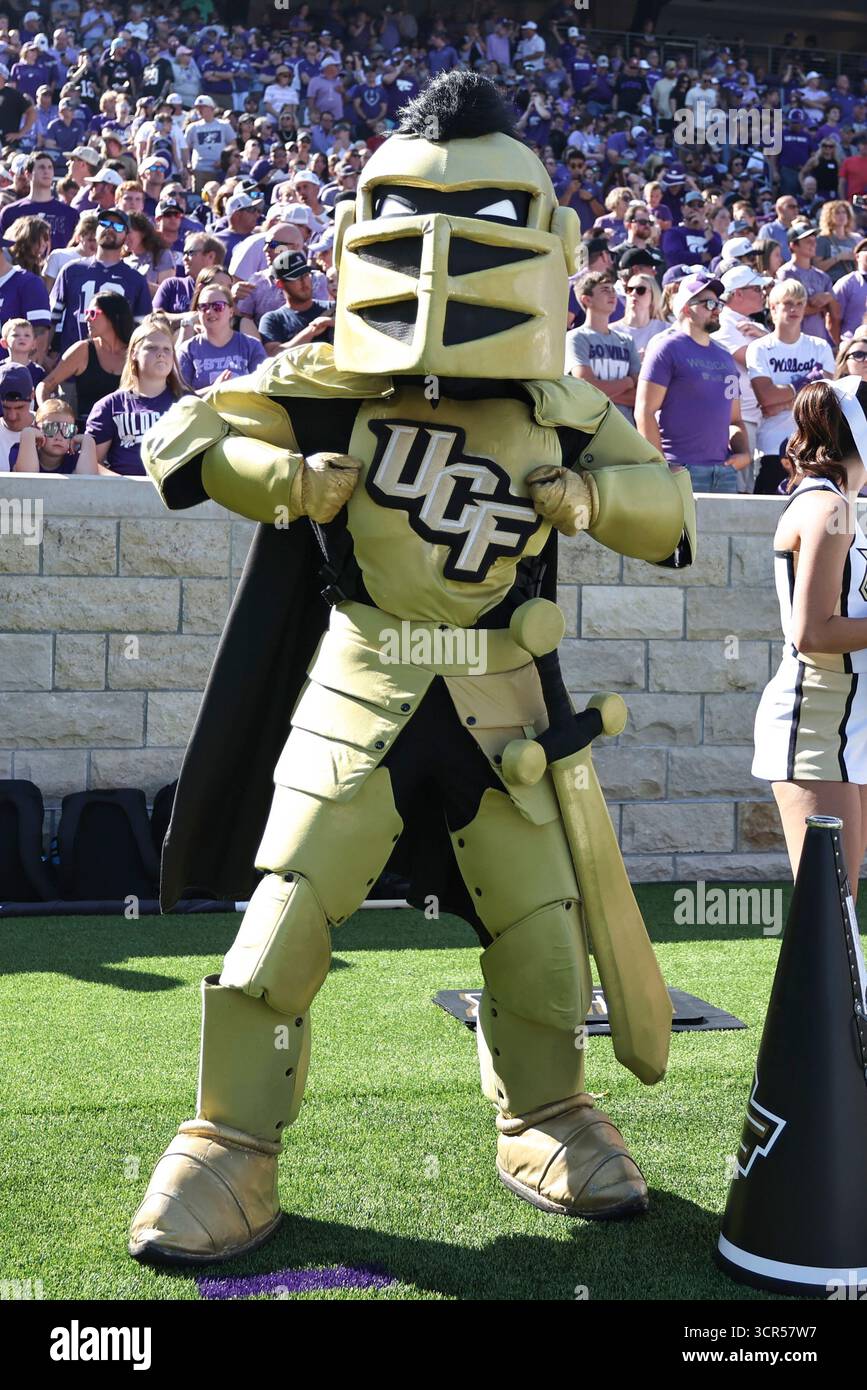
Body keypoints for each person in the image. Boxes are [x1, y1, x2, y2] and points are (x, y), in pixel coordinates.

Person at [128, 70, 695, 1267]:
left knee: (542, 943)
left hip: (505, 710)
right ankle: (229, 1139)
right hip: (363, 684)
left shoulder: (563, 402)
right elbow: (181, 434)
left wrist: (593, 496)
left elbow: (671, 508)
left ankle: (544, 1111)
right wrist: (278, 480)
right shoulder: (331, 379)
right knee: (278, 932)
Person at [752, 377, 867, 890]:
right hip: (817, 722)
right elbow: (812, 632)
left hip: (844, 722)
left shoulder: (837, 504)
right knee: (828, 906)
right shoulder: (829, 507)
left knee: (838, 908)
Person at [636, 271, 751, 494]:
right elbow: (644, 411)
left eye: (718, 303)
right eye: (709, 303)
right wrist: (660, 468)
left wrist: (743, 454)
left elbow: (735, 419)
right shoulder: (666, 348)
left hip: (723, 471)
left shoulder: (725, 357)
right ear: (686, 308)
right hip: (679, 470)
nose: (717, 309)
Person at [746, 280, 836, 495]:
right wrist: (802, 385)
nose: (795, 309)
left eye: (799, 303)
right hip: (771, 447)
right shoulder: (760, 348)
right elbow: (766, 397)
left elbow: (825, 398)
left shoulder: (819, 346)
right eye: (788, 303)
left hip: (814, 448)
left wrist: (783, 403)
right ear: (773, 307)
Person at [85, 313, 185, 476]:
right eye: (152, 347)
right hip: (123, 496)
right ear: (134, 354)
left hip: (175, 496)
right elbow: (89, 463)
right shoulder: (110, 406)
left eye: (167, 349)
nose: (161, 354)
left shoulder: (187, 403)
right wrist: (127, 485)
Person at [49, 206, 152, 352]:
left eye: (117, 226)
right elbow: (50, 319)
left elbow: (141, 331)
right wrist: (43, 356)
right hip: (71, 362)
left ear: (126, 236)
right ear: (96, 230)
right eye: (104, 224)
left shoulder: (136, 280)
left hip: (115, 365)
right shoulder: (71, 271)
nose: (110, 229)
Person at [711, 264, 772, 494]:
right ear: (737, 293)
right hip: (737, 420)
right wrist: (767, 340)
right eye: (756, 289)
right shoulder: (723, 323)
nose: (762, 293)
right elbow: (757, 362)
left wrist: (766, 337)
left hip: (755, 418)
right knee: (739, 490)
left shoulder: (755, 326)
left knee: (748, 488)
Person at [38, 288, 132, 428]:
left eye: (93, 313)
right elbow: (45, 386)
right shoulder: (82, 350)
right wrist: (48, 417)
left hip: (126, 434)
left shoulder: (135, 352)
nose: (86, 318)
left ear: (114, 317)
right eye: (87, 313)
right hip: (88, 434)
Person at [564, 271, 640, 423]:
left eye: (613, 290)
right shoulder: (576, 338)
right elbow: (586, 388)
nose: (613, 295)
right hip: (589, 430)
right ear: (587, 299)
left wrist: (600, 394)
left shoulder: (627, 340)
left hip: (626, 429)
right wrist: (627, 383)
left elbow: (640, 396)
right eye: (605, 290)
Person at [178, 279, 266, 391]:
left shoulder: (251, 346)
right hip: (204, 408)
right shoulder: (188, 350)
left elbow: (263, 388)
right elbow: (181, 398)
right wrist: (214, 390)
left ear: (231, 311)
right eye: (204, 307)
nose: (209, 311)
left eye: (218, 306)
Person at [258, 248, 334, 355]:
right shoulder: (273, 319)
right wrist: (311, 332)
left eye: (306, 275)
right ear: (280, 284)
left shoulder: (332, 308)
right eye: (295, 277)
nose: (304, 282)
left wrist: (335, 323)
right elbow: (273, 355)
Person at [777, 221, 840, 347]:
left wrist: (829, 297)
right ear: (793, 245)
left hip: (820, 342)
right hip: (794, 343)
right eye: (807, 241)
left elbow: (836, 313)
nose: (813, 244)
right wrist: (822, 307)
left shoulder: (822, 276)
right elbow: (792, 309)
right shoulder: (786, 273)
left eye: (814, 240)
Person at [0, 150, 77, 247]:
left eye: (50, 167)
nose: (46, 171)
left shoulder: (70, 214)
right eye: (41, 167)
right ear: (28, 174)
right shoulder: (10, 212)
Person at [11, 396, 99, 473]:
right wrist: (28, 433)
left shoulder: (75, 460)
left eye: (67, 430)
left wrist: (88, 441)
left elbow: (87, 482)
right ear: (36, 430)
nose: (59, 437)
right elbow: (27, 479)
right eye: (51, 428)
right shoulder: (19, 450)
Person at [617, 269, 668, 359]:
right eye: (629, 289)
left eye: (641, 290)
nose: (633, 294)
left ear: (653, 295)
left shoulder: (666, 330)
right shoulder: (611, 331)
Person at [123, 210, 175, 294]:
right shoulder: (122, 260)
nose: (124, 236)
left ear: (143, 233)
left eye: (128, 232)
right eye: (121, 231)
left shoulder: (161, 255)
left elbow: (167, 292)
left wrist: (138, 283)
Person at [0, 361, 36, 470]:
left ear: (32, 395)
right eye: (6, 407)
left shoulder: (48, 429)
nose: (12, 416)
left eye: (19, 407)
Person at [832, 239, 867, 340]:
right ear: (857, 256)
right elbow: (833, 319)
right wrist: (839, 345)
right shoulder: (846, 283)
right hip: (852, 344)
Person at [1, 315, 43, 387]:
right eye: (16, 335)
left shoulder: (38, 371)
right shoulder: (1, 368)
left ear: (34, 344)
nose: (22, 338)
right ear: (4, 343)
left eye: (27, 335)